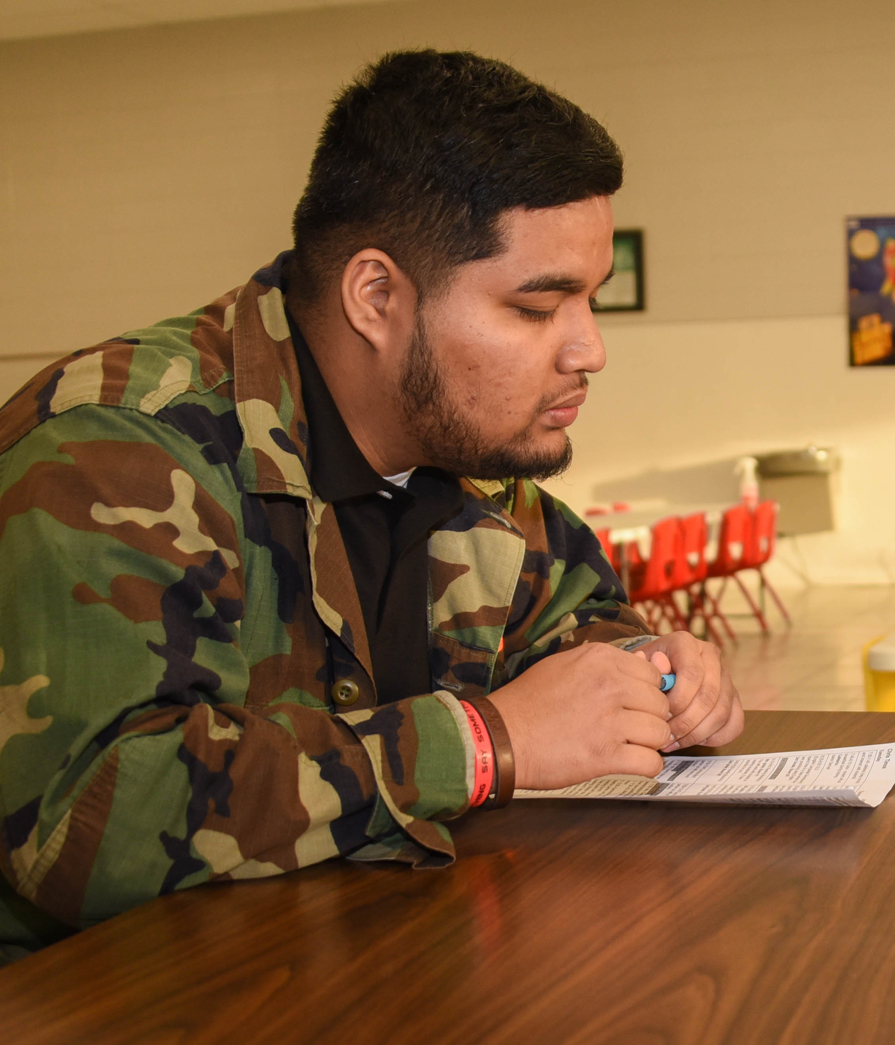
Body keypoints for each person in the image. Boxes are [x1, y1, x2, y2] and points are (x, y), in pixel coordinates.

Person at [0, 50, 742, 961]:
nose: (589, 349)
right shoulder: (117, 448)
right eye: (537, 307)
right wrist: (483, 740)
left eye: (590, 301)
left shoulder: (470, 455)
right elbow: (88, 822)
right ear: (377, 295)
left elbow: (575, 617)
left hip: (377, 963)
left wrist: (654, 670)